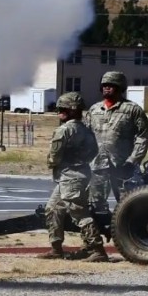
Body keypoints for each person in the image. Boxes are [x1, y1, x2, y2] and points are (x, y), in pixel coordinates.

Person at [39, 91, 104, 261]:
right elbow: (94, 152)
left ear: (72, 110)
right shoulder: (86, 131)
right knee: (53, 208)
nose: (59, 112)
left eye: (63, 109)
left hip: (70, 177)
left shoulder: (64, 130)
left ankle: (97, 249)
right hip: (77, 175)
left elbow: (54, 157)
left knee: (79, 213)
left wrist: (52, 163)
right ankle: (56, 248)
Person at [84, 70, 148, 215]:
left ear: (120, 88)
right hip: (98, 167)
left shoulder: (132, 110)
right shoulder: (94, 110)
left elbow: (143, 137)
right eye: (104, 85)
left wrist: (133, 160)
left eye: (111, 85)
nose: (107, 88)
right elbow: (86, 136)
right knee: (95, 208)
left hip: (123, 167)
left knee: (129, 207)